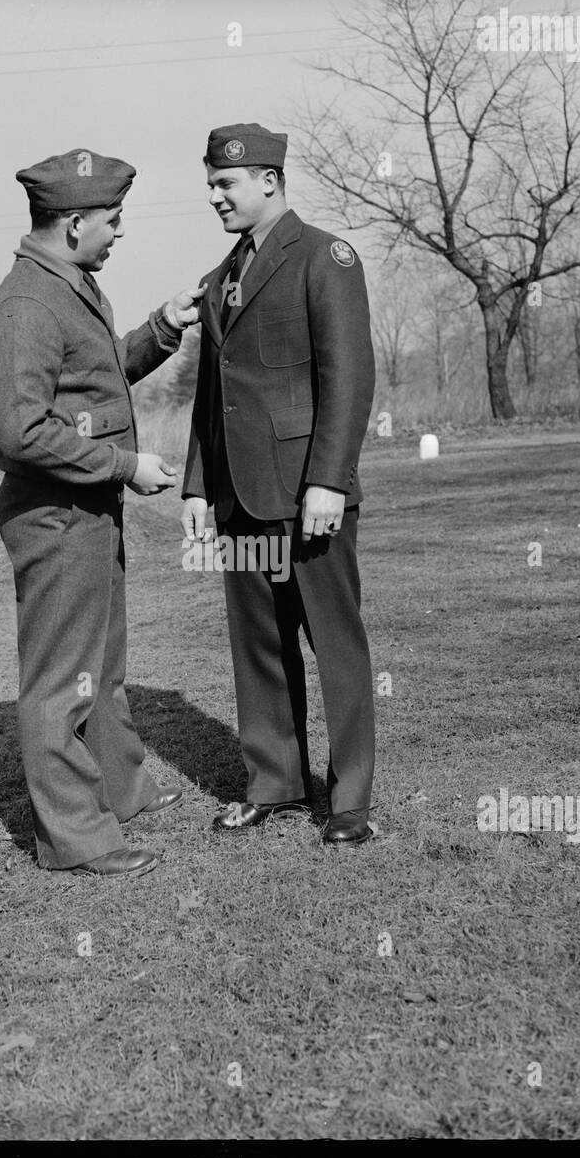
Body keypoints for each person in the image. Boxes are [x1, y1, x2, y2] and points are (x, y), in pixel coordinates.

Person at [0, 148, 203, 878]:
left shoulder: (66, 285)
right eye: (113, 220)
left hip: (86, 509)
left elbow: (93, 383)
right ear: (74, 224)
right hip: (55, 514)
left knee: (100, 668)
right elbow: (22, 430)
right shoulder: (27, 305)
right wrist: (124, 465)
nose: (119, 233)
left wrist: (161, 328)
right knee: (59, 680)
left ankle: (121, 792)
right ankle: (77, 840)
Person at [180, 123, 377, 846]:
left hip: (307, 498)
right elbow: (213, 392)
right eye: (209, 183)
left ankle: (349, 801)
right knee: (258, 647)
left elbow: (349, 378)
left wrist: (328, 479)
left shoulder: (325, 257)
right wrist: (199, 487)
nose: (214, 197)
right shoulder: (219, 279)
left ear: (268, 179)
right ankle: (276, 784)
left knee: (335, 643)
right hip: (238, 498)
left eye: (224, 183)